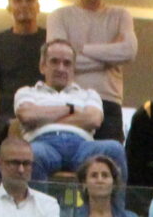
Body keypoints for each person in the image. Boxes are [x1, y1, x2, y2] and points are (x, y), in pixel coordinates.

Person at [45, 0, 136, 141]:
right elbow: (60, 64)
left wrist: (84, 50)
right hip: (72, 100)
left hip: (109, 103)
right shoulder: (58, 16)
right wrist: (109, 56)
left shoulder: (121, 15)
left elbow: (129, 51)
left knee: (109, 162)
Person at [13, 39, 128, 181]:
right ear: (43, 66)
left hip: (82, 147)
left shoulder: (89, 94)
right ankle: (40, 204)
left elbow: (94, 119)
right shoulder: (27, 92)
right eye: (54, 61)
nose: (61, 68)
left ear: (73, 68)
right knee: (32, 154)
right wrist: (71, 109)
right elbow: (27, 116)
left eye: (67, 63)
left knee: (115, 149)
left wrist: (44, 116)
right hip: (43, 144)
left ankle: (117, 205)